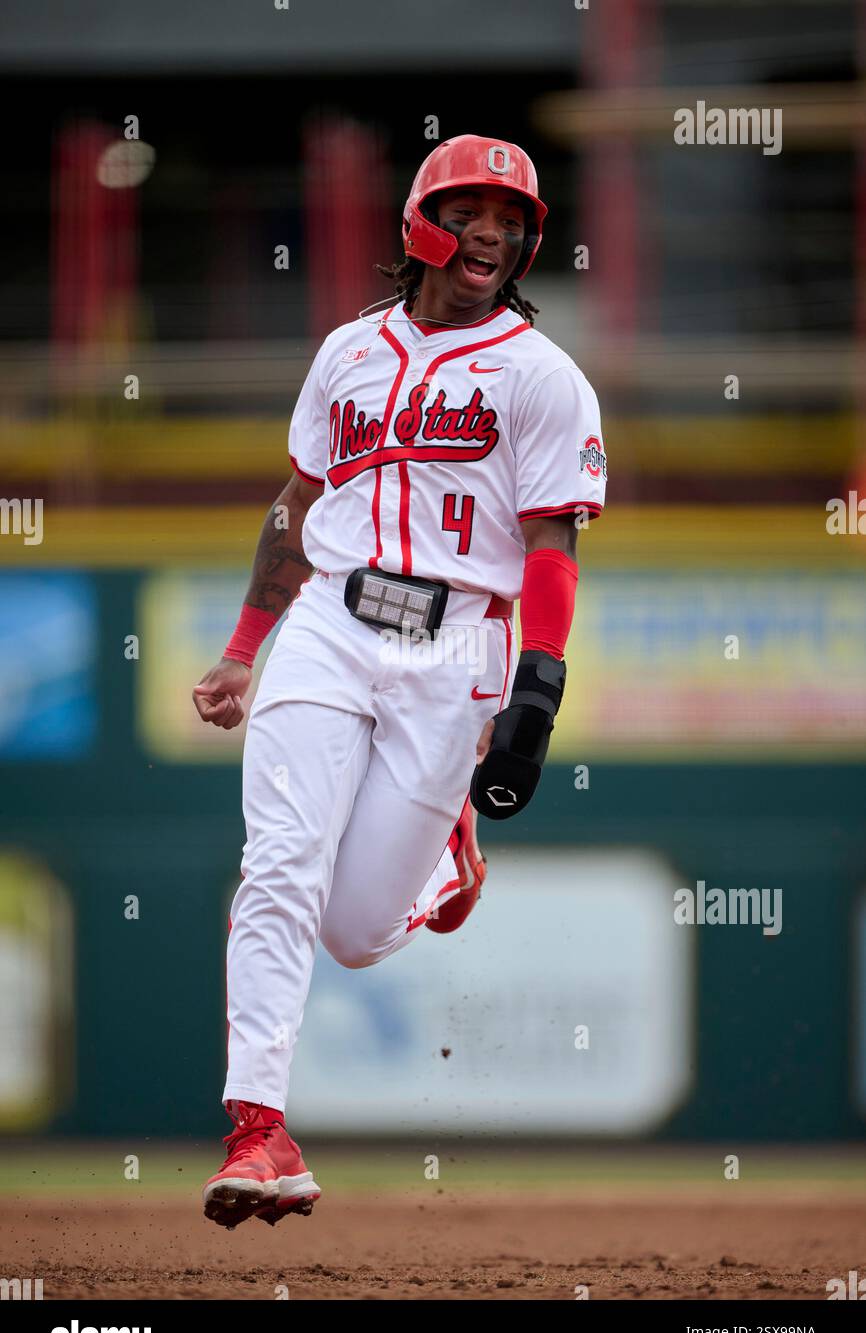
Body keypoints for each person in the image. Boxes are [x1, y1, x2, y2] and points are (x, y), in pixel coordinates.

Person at [192, 134, 607, 1228]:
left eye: (510, 220)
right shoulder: (345, 354)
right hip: (329, 623)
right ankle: (259, 1129)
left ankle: (446, 853)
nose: (493, 233)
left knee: (357, 930)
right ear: (424, 219)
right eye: (472, 211)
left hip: (454, 642)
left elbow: (553, 540)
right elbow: (295, 506)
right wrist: (244, 646)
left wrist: (538, 685)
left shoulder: (541, 374)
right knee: (278, 863)